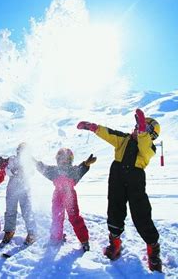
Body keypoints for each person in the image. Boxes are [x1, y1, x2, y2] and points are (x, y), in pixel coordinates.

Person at [77, 108, 162, 272]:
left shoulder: (149, 148)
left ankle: (153, 250)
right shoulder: (124, 139)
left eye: (145, 128)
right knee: (115, 209)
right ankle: (114, 242)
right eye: (139, 126)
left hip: (135, 179)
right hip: (117, 175)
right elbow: (108, 133)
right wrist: (92, 127)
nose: (139, 129)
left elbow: (144, 145)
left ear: (152, 135)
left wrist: (143, 132)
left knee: (141, 213)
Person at [35, 148, 97, 252]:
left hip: (69, 195)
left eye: (66, 159)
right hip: (57, 195)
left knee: (74, 218)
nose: (64, 161)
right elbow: (43, 168)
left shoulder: (73, 171)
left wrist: (86, 164)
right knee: (57, 217)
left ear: (70, 161)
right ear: (57, 160)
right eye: (61, 159)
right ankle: (56, 237)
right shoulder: (54, 171)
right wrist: (33, 161)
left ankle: (84, 240)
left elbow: (81, 168)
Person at [2, 143, 37, 245]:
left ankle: (32, 233)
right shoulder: (12, 159)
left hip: (24, 188)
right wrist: (13, 171)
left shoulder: (28, 161)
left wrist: (24, 170)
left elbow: (31, 172)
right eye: (19, 150)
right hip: (12, 188)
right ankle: (9, 230)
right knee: (10, 210)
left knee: (27, 210)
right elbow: (7, 170)